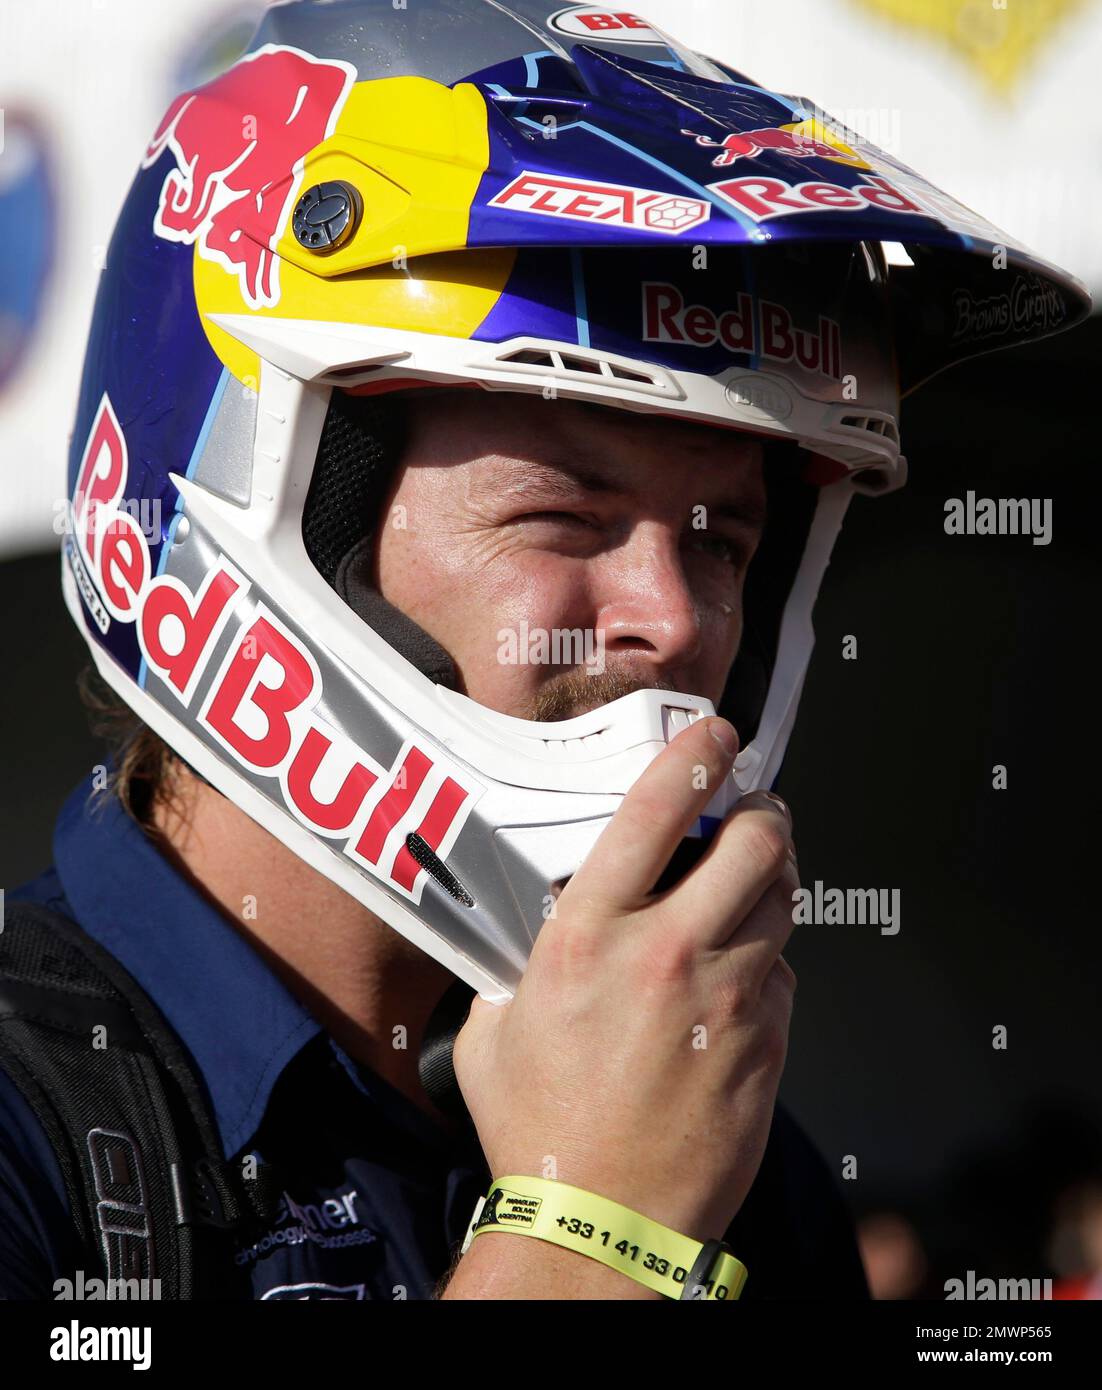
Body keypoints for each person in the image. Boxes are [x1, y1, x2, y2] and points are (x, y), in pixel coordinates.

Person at [0, 0, 1088, 1301]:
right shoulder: (27, 1127)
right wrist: (588, 1234)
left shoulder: (711, 1126)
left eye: (724, 541)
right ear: (256, 492)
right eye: (563, 514)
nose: (677, 617)